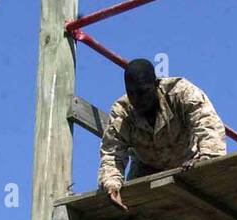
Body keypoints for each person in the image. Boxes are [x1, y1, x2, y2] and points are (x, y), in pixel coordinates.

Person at [97, 58, 227, 211]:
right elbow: (112, 152)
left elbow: (207, 124)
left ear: (156, 85)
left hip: (188, 163)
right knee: (130, 210)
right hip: (145, 169)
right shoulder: (122, 112)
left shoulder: (180, 92)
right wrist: (111, 185)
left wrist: (207, 160)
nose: (137, 100)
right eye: (131, 93)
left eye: (143, 92)